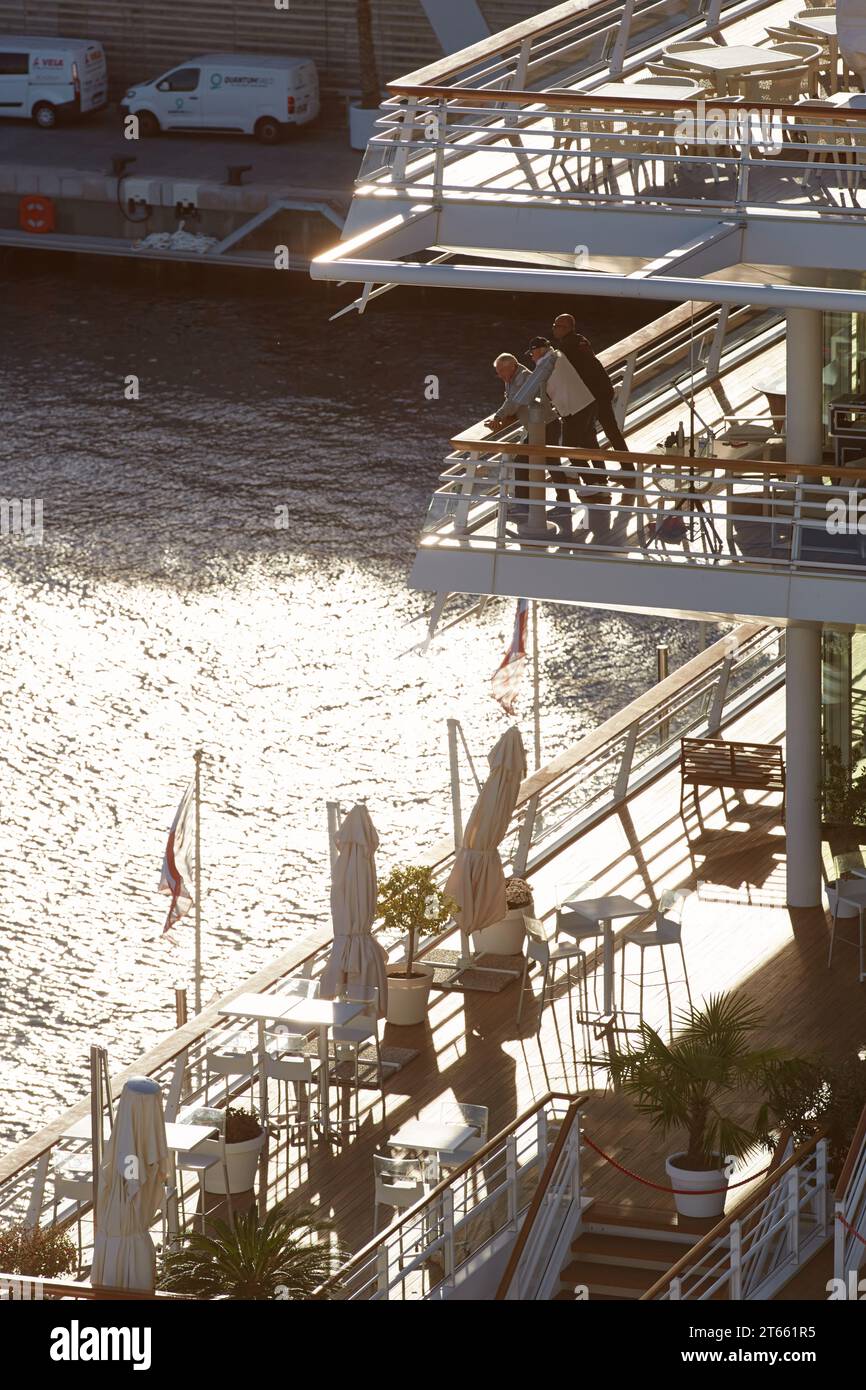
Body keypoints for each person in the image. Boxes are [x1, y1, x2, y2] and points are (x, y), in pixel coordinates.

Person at [485, 351, 566, 527]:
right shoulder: (512, 379)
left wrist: (498, 417)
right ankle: (558, 504)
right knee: (550, 464)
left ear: (512, 367)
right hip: (539, 426)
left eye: (501, 371)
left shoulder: (523, 378)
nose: (499, 376)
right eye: (498, 372)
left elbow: (514, 402)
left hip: (545, 426)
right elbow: (511, 403)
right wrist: (502, 416)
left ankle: (526, 505)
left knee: (529, 462)